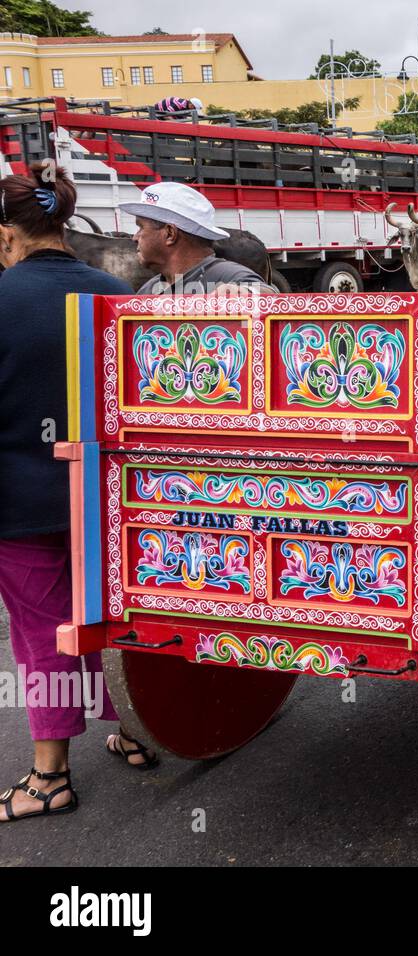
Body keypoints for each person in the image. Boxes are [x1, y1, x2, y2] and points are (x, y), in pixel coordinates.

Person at [0, 161, 158, 824]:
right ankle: (138, 728)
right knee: (122, 616)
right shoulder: (113, 292)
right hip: (111, 498)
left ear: (8, 232)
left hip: (22, 503)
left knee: (43, 632)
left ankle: (50, 777)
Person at [122, 181, 267, 294]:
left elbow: (268, 295)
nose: (135, 237)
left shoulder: (225, 276)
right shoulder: (148, 290)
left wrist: (246, 294)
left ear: (170, 234)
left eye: (141, 227)